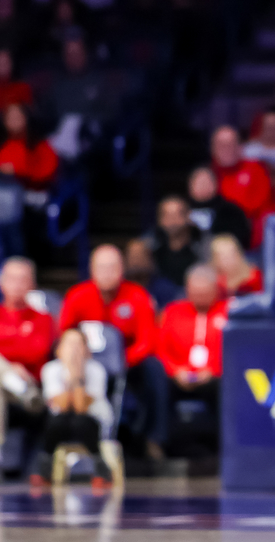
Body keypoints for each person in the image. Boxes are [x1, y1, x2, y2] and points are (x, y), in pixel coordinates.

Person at [58, 243, 167, 459]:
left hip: (127, 362)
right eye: (102, 267)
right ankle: (59, 440)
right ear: (92, 270)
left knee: (155, 369)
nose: (107, 273)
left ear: (122, 269)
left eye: (113, 267)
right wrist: (80, 361)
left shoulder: (137, 296)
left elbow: (147, 341)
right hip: (86, 364)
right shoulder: (78, 295)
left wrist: (121, 361)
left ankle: (155, 440)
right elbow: (64, 335)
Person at [37, 328, 118, 493]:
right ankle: (45, 466)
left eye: (78, 344)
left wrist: (76, 374)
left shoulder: (96, 370)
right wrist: (71, 373)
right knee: (57, 421)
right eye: (69, 343)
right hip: (63, 421)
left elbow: (81, 407)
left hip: (93, 420)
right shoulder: (50, 369)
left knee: (80, 422)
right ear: (59, 349)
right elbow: (63, 405)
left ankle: (100, 466)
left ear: (86, 349)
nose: (73, 349)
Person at [155, 265, 226, 451]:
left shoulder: (229, 312)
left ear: (215, 290)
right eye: (196, 293)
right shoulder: (172, 312)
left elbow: (236, 350)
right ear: (187, 290)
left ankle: (222, 446)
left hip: (214, 377)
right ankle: (162, 445)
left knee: (225, 387)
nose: (200, 298)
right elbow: (160, 349)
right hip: (178, 375)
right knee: (158, 383)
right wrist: (175, 370)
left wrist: (213, 371)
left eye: (205, 293)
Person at [0, 257, 48, 448]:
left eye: (23, 279)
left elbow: (35, 352)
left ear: (32, 284)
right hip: (17, 389)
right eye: (11, 279)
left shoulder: (43, 319)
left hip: (30, 383)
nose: (17, 285)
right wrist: (10, 367)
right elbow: (22, 349)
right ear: (1, 283)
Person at [209, 126, 273, 240]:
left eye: (231, 144)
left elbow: (262, 208)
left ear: (240, 147)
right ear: (213, 149)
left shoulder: (256, 169)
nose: (226, 149)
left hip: (249, 235)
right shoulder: (207, 174)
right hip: (215, 237)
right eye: (221, 145)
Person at [186, 166, 252, 251]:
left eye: (207, 181)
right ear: (190, 185)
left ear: (216, 184)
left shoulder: (232, 212)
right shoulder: (180, 211)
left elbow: (241, 241)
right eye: (199, 182)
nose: (203, 185)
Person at [0, 103, 59, 192]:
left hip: (33, 194)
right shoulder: (2, 145)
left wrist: (19, 171)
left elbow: (49, 170)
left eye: (18, 117)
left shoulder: (38, 145)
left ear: (26, 118)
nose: (14, 121)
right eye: (9, 118)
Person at [146, 195, 203, 291]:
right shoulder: (149, 247)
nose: (172, 221)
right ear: (159, 220)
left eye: (177, 215)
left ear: (188, 217)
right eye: (166, 215)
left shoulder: (203, 244)